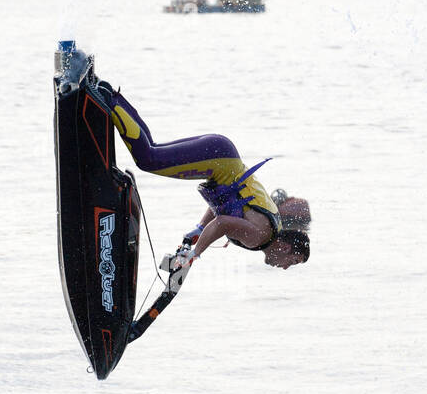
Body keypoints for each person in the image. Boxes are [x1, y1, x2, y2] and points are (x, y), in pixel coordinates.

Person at [94, 81, 310, 274]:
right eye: (292, 261)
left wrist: (199, 228)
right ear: (286, 247)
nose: (285, 267)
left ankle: (109, 94)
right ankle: (106, 100)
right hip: (219, 161)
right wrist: (195, 254)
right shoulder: (260, 237)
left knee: (152, 151)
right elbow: (223, 222)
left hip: (221, 154)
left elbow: (226, 205)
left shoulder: (272, 228)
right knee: (148, 160)